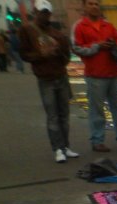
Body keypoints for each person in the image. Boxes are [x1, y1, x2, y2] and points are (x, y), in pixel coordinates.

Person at [72, 0, 117, 151]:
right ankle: (97, 140)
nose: (94, 6)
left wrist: (113, 46)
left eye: (96, 4)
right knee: (97, 110)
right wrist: (97, 46)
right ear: (84, 6)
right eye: (90, 4)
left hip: (113, 73)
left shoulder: (108, 25)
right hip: (95, 75)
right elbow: (76, 48)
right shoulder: (80, 26)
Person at [19, 0, 77, 163]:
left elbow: (66, 58)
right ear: (35, 12)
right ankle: (57, 149)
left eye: (46, 13)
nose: (43, 15)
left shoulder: (57, 34)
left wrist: (57, 53)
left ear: (50, 14)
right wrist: (41, 55)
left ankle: (65, 146)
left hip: (61, 77)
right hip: (45, 79)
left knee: (64, 114)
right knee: (52, 115)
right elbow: (24, 54)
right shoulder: (27, 30)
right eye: (41, 12)